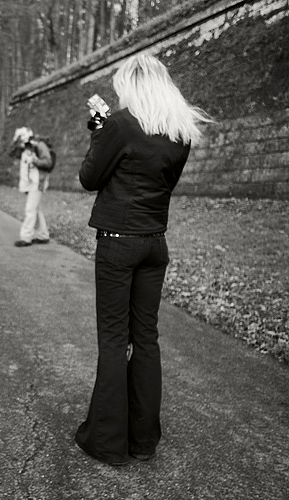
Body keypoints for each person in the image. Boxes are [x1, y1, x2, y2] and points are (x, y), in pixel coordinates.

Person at [74, 53, 212, 466]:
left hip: (119, 243)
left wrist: (99, 134)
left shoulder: (119, 125)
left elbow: (89, 178)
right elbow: (160, 181)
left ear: (131, 84)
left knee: (114, 340)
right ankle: (144, 440)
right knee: (146, 340)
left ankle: (108, 442)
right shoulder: (178, 131)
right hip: (155, 243)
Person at [8, 127, 53, 247]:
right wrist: (15, 141)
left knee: (30, 209)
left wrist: (35, 160)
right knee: (36, 209)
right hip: (29, 183)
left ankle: (26, 237)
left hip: (38, 182)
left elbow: (48, 162)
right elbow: (11, 153)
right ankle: (43, 235)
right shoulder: (24, 148)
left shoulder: (39, 145)